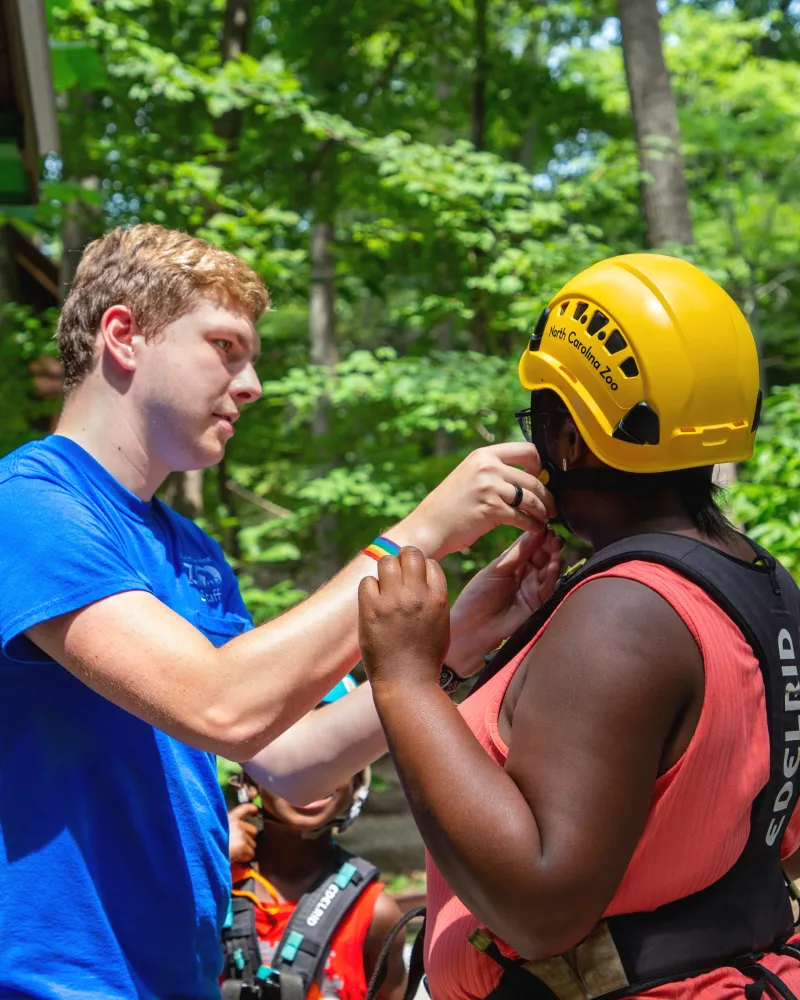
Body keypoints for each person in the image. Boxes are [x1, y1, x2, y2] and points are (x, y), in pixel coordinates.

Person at [0, 223, 562, 1000]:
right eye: (227, 347)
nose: (252, 382)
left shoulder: (190, 551)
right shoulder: (28, 509)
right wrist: (423, 531)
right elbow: (220, 706)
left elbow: (288, 755)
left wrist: (449, 646)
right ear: (124, 336)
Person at [356, 254, 800, 1000]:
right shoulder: (762, 585)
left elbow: (541, 910)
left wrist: (404, 680)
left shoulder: (624, 611)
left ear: (569, 437)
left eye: (542, 419)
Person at [221, 676, 406, 1000]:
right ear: (250, 782)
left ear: (357, 784)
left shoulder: (376, 915)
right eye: (291, 754)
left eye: (334, 757)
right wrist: (211, 858)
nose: (310, 775)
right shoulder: (211, 882)